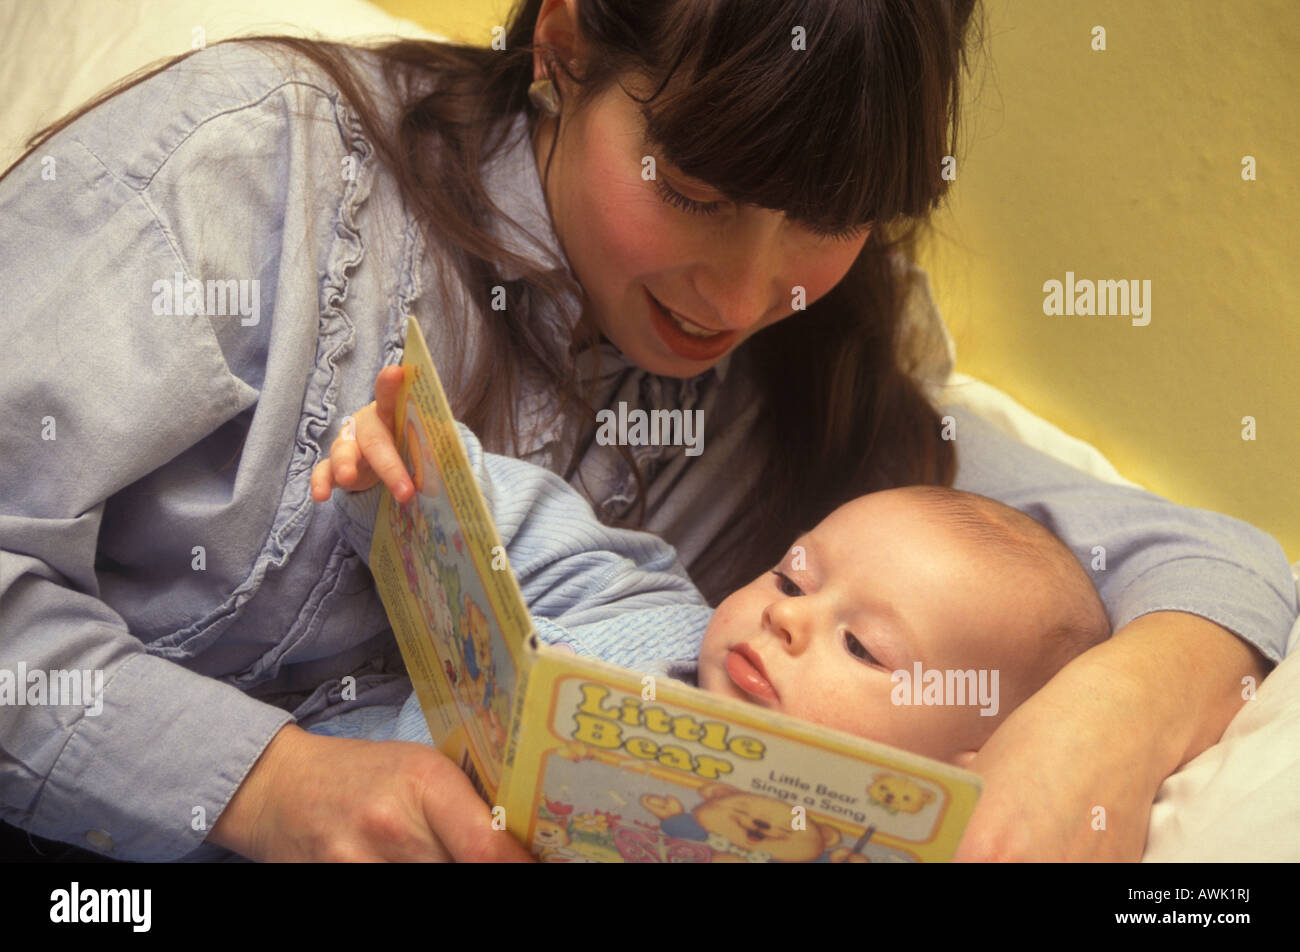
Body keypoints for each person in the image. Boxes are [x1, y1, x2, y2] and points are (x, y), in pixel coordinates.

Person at [0, 0, 1293, 863]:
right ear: (564, 46)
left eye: (821, 222)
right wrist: (263, 785)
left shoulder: (818, 368)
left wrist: (1108, 713)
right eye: (695, 188)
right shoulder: (250, 165)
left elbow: (1143, 557)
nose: (739, 295)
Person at [312, 413, 1114, 785]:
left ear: (958, 776)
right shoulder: (649, 609)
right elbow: (499, 517)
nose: (787, 615)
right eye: (792, 577)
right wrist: (404, 462)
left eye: (862, 646)